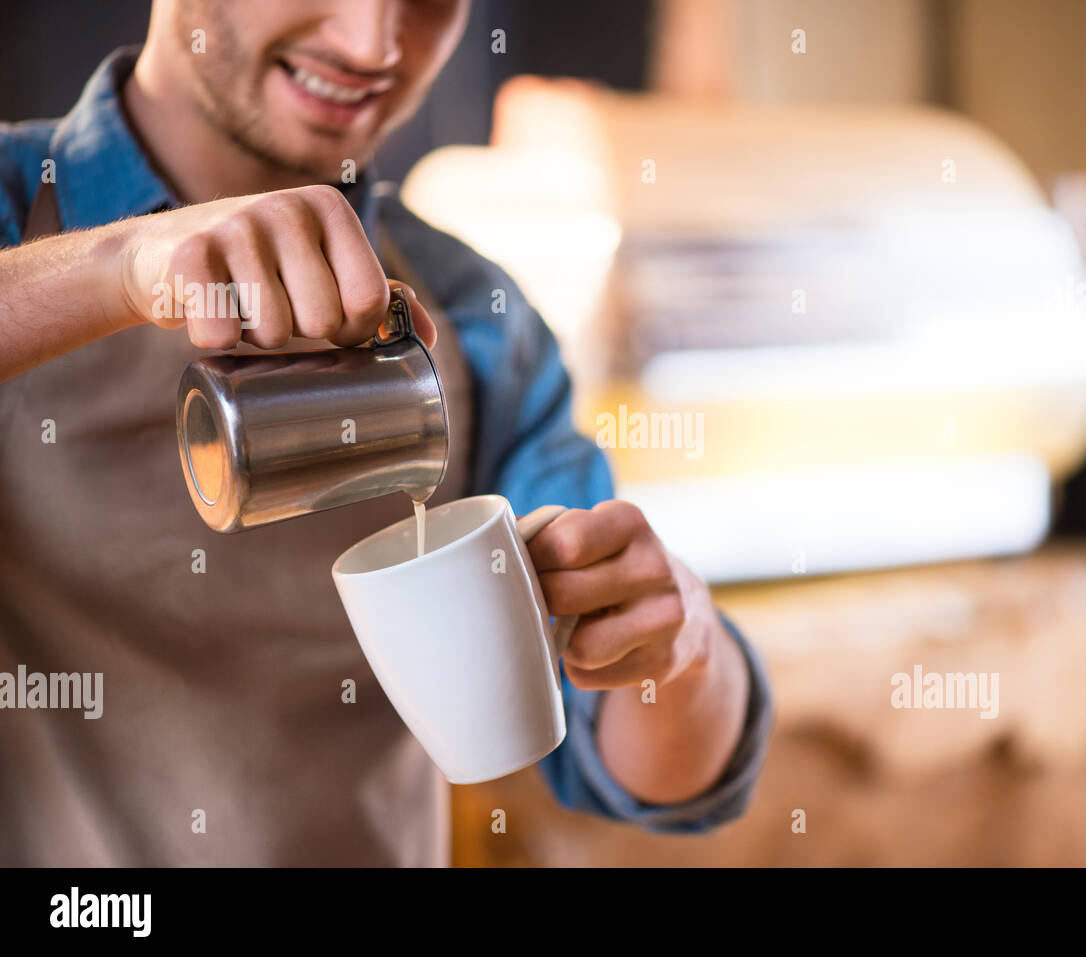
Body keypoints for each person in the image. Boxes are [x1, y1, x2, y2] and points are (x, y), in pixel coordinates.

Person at [0, 0, 772, 865]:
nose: (373, 44)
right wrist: (121, 268)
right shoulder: (13, 205)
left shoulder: (473, 312)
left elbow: (646, 767)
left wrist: (682, 644)